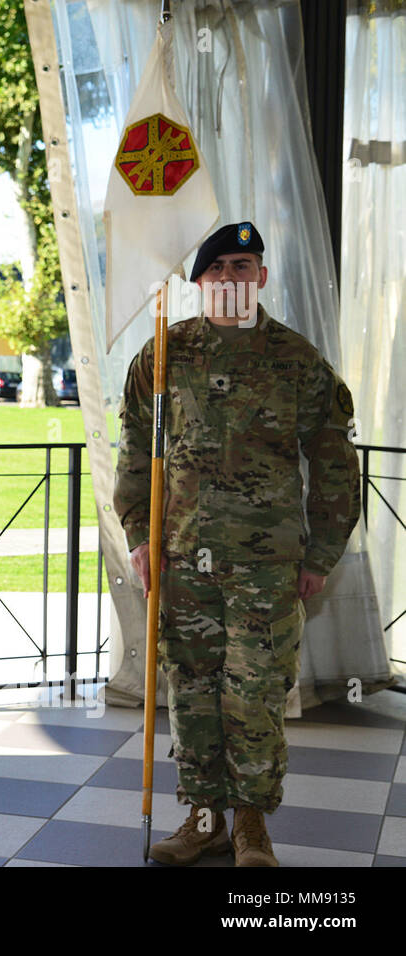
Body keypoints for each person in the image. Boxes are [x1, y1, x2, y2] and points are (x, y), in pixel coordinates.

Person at [114, 222, 359, 867]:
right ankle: (202, 819)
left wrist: (321, 555)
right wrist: (140, 536)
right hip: (181, 560)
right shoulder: (164, 357)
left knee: (253, 694)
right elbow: (137, 452)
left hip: (267, 566)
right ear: (197, 281)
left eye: (243, 266)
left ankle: (251, 824)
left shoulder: (296, 359)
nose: (230, 278)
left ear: (262, 278)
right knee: (192, 690)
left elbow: (334, 459)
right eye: (217, 267)